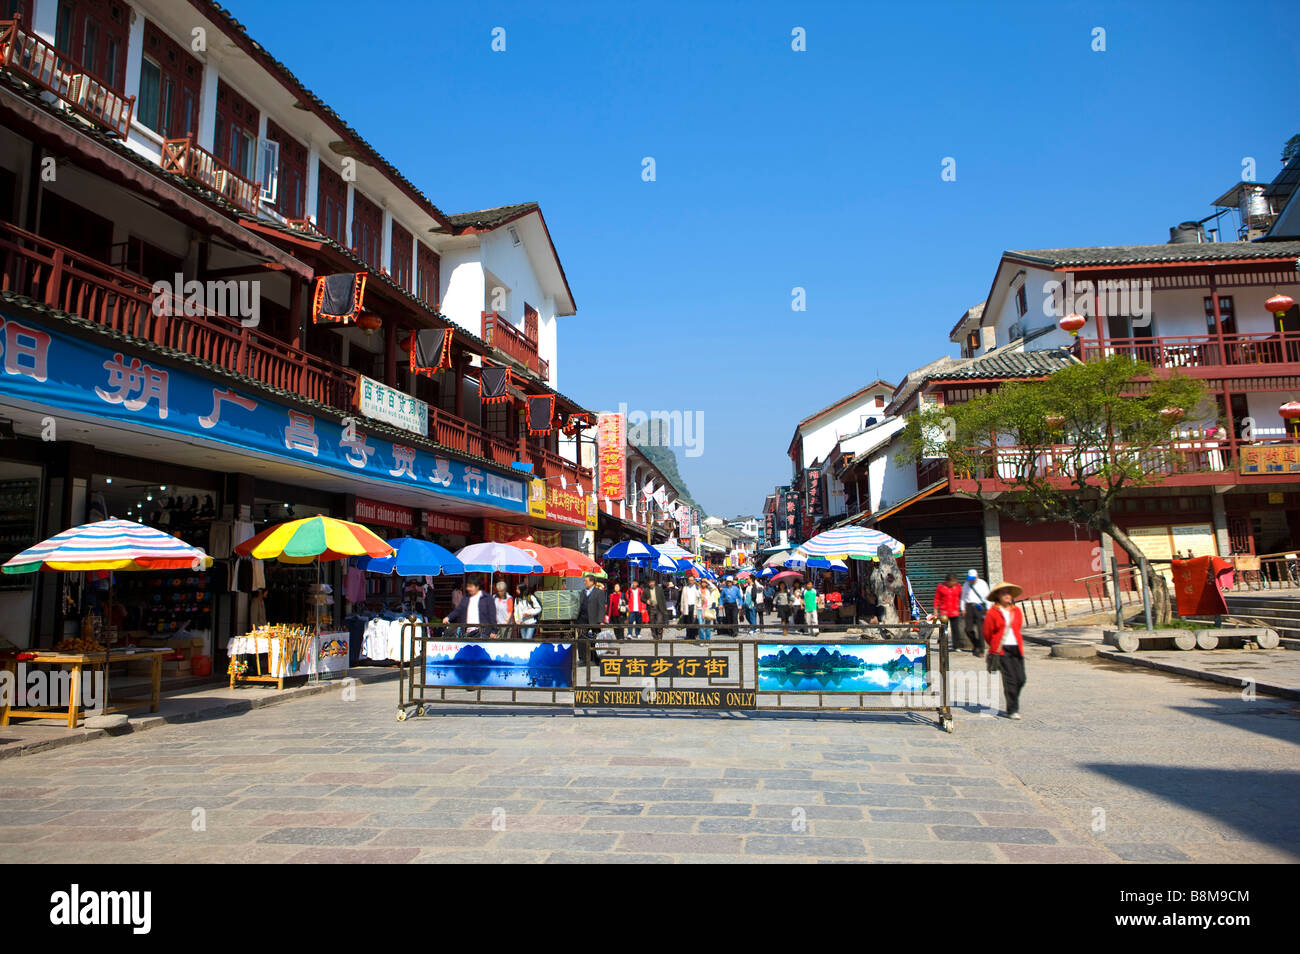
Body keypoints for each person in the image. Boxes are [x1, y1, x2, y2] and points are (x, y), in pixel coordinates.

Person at [982, 581, 1027, 719]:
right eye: (1003, 593)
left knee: (1021, 679)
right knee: (1011, 680)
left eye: (1008, 593)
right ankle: (1012, 709)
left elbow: (1018, 628)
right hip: (1002, 650)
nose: (1007, 596)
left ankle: (1012, 703)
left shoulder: (1016, 611)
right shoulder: (992, 613)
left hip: (1016, 648)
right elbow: (987, 633)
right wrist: (995, 645)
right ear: (998, 596)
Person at [577, 573, 607, 663]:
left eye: (586, 581)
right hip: (583, 618)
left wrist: (601, 620)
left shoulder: (599, 592)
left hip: (594, 619)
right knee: (581, 638)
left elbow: (601, 607)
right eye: (584, 581)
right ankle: (583, 658)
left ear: (592, 582)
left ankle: (596, 658)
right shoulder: (582, 592)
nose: (584, 582)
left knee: (596, 638)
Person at [961, 569, 991, 656]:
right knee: (968, 629)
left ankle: (981, 650)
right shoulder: (966, 585)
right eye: (970, 579)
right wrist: (963, 608)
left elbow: (987, 597)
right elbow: (963, 598)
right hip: (969, 607)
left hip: (980, 607)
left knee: (981, 630)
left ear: (977, 576)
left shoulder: (982, 584)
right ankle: (976, 644)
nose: (971, 580)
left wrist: (988, 609)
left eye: (973, 579)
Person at [933, 573, 965, 651]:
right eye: (952, 581)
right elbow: (936, 598)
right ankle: (943, 644)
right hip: (944, 612)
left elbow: (962, 598)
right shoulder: (941, 587)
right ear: (948, 581)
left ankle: (956, 646)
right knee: (944, 629)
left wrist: (963, 608)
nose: (954, 583)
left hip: (954, 611)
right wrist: (935, 610)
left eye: (955, 581)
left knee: (955, 629)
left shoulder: (959, 587)